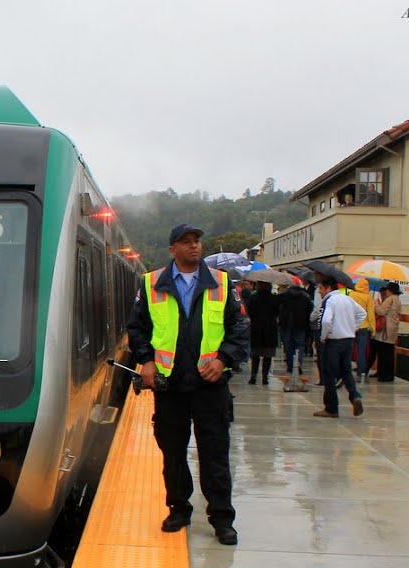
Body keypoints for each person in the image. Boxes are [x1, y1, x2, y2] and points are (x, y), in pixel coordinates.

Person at [127, 223, 250, 543]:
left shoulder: (222, 284)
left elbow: (239, 329)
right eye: (186, 242)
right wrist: (147, 360)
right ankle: (179, 509)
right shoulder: (151, 283)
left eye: (197, 241)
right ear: (173, 250)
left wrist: (223, 359)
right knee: (173, 454)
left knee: (215, 454)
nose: (194, 246)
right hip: (170, 387)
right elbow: (137, 328)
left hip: (210, 387)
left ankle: (222, 518)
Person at [314, 275, 366, 418]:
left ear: (328, 288)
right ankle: (355, 396)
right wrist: (352, 327)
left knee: (329, 374)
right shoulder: (347, 299)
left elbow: (325, 321)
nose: (319, 292)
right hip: (348, 340)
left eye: (321, 288)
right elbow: (363, 313)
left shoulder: (329, 301)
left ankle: (331, 408)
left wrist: (323, 337)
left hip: (333, 342)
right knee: (346, 371)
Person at [245, 281, 279, 385]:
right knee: (267, 355)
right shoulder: (274, 298)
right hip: (270, 329)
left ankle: (253, 377)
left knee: (255, 355)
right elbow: (277, 312)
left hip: (256, 328)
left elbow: (249, 311)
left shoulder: (253, 298)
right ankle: (265, 378)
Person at [276, 281, 313, 376]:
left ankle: (290, 366)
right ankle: (298, 364)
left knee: (288, 346)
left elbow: (276, 307)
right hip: (301, 324)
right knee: (299, 345)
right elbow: (310, 311)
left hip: (285, 324)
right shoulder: (305, 297)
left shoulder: (283, 295)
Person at [371, 282, 402, 381]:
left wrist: (375, 304)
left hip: (386, 330)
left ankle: (384, 375)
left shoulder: (390, 299)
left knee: (384, 353)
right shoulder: (397, 300)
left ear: (389, 290)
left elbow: (381, 311)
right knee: (388, 353)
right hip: (392, 329)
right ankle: (385, 373)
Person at [348, 278, 375, 384]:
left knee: (348, 350)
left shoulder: (351, 295)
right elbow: (370, 314)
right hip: (364, 328)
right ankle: (360, 375)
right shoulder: (368, 297)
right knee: (361, 352)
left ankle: (346, 372)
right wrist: (373, 329)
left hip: (351, 326)